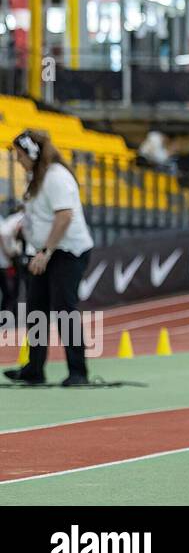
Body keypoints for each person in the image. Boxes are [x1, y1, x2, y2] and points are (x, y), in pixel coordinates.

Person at [2, 130, 96, 386]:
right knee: (36, 308)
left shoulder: (56, 177)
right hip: (47, 250)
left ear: (33, 153)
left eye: (21, 156)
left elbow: (64, 216)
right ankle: (34, 369)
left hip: (67, 251)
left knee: (64, 308)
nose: (18, 161)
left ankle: (78, 372)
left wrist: (46, 252)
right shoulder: (37, 176)